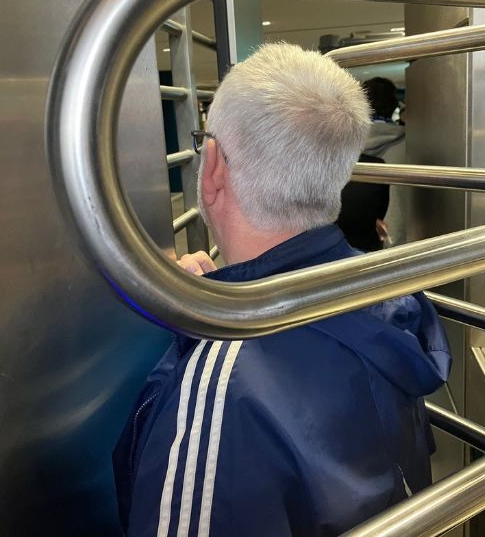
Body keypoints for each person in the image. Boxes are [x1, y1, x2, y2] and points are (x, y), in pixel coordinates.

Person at [113, 43, 450, 537]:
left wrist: (205, 350)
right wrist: (210, 312)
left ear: (212, 169)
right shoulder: (387, 297)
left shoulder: (219, 390)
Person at [335, 77, 408, 251]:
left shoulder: (335, 146)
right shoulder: (409, 147)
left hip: (338, 245)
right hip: (388, 246)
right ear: (393, 107)